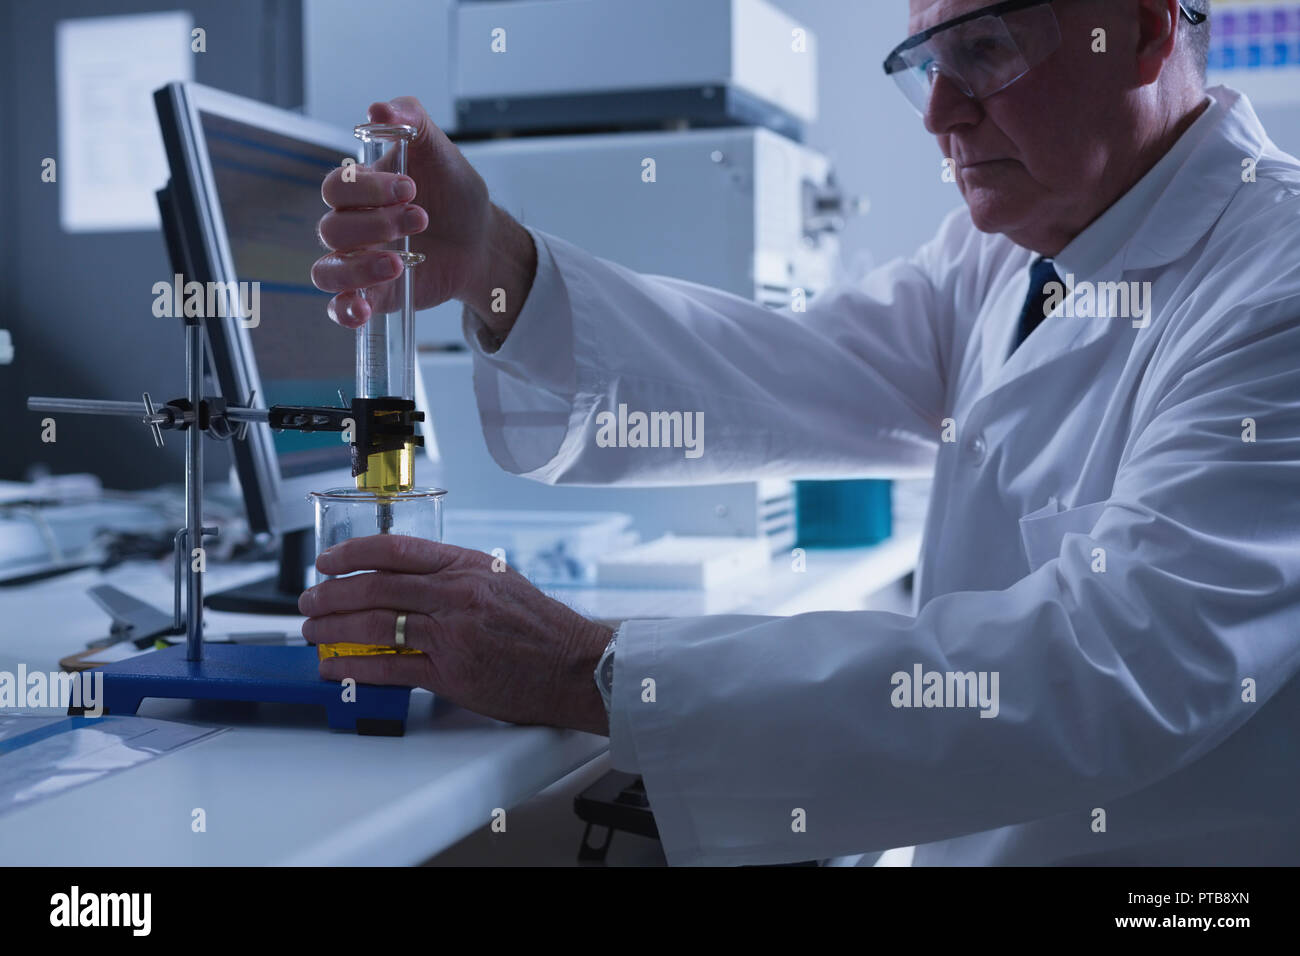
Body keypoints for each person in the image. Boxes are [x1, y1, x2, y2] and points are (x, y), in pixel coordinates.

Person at [306, 0, 1300, 865]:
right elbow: (780, 370)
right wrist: (488, 258)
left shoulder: (1276, 280)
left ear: (1139, 27)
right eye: (927, 67)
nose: (943, 116)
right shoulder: (1008, 251)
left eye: (987, 50)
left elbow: (1107, 669)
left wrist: (591, 668)